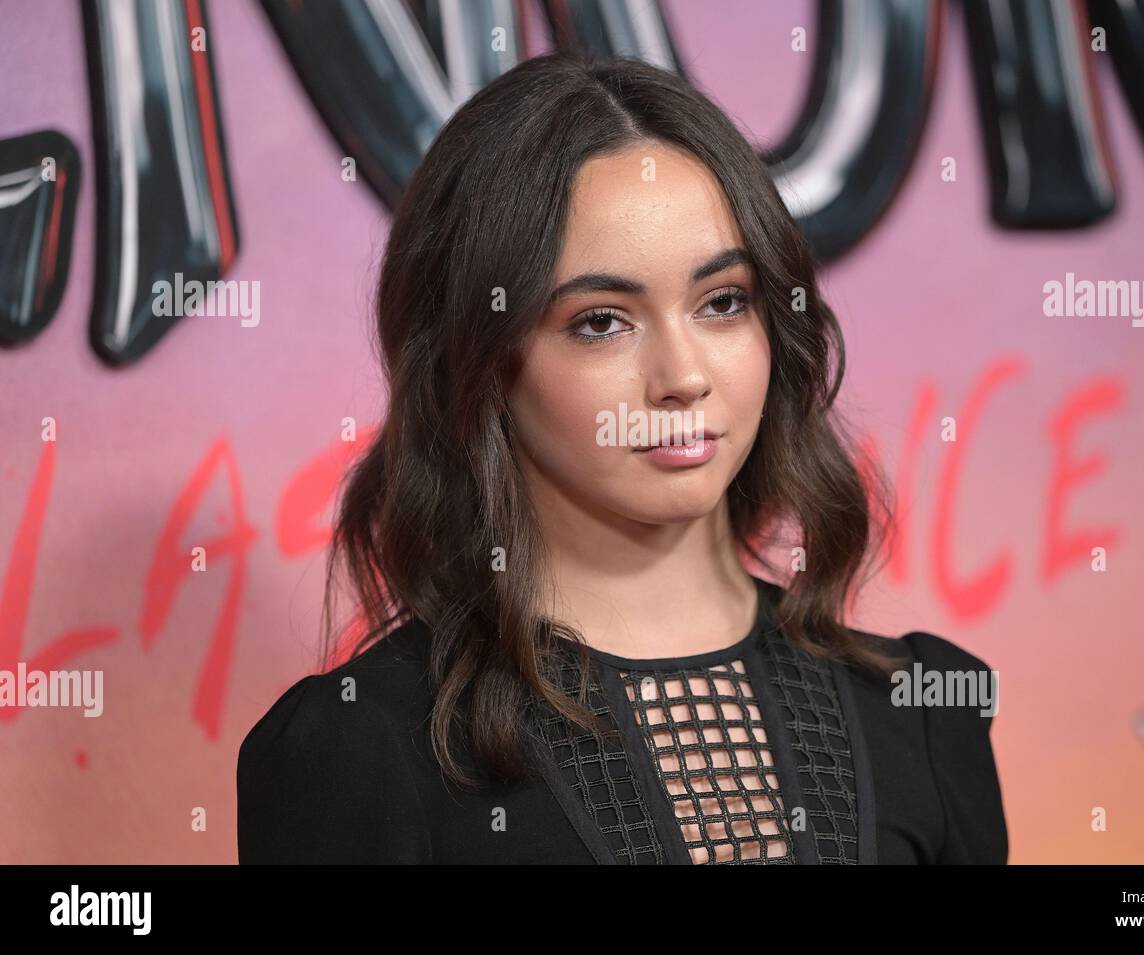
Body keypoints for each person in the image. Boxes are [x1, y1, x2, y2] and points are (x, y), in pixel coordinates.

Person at [236, 51, 1008, 865]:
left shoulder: (920, 711)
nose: (683, 377)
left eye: (722, 302)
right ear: (481, 361)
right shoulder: (362, 748)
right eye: (602, 321)